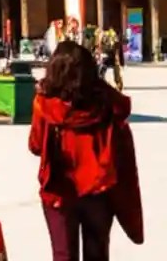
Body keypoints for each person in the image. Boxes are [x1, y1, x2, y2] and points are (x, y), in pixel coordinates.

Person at [30, 41, 143, 260]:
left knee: (63, 254)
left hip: (59, 192)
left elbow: (35, 146)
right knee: (97, 253)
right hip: (99, 191)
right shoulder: (106, 105)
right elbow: (121, 139)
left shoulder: (45, 105)